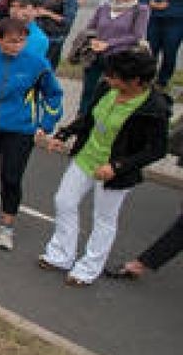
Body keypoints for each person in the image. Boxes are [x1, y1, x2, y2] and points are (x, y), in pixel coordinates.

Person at [40, 49, 168, 286]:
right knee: (64, 201)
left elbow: (156, 150)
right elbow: (89, 117)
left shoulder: (154, 108)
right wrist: (65, 133)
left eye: (114, 76)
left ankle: (88, 268)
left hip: (115, 172)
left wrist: (117, 166)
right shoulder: (105, 90)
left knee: (104, 219)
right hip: (86, 158)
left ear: (136, 81)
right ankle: (61, 254)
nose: (108, 79)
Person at [0, 18, 63, 251]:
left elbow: (53, 95)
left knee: (11, 177)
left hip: (20, 128)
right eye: (11, 42)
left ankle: (7, 226)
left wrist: (45, 124)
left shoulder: (37, 63)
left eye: (21, 41)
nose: (17, 46)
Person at [76, 0, 149, 115]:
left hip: (119, 58)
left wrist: (108, 44)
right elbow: (91, 27)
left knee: (111, 91)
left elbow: (137, 35)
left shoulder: (140, 10)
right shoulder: (104, 8)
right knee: (89, 90)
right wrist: (93, 40)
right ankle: (83, 118)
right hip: (95, 56)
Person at [140, 0, 183, 87]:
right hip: (155, 21)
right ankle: (147, 78)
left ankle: (163, 81)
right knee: (151, 51)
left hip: (175, 23)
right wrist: (153, 5)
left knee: (170, 52)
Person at [36, 0, 78, 70]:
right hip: (40, 32)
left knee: (47, 66)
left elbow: (67, 21)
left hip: (54, 37)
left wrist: (48, 13)